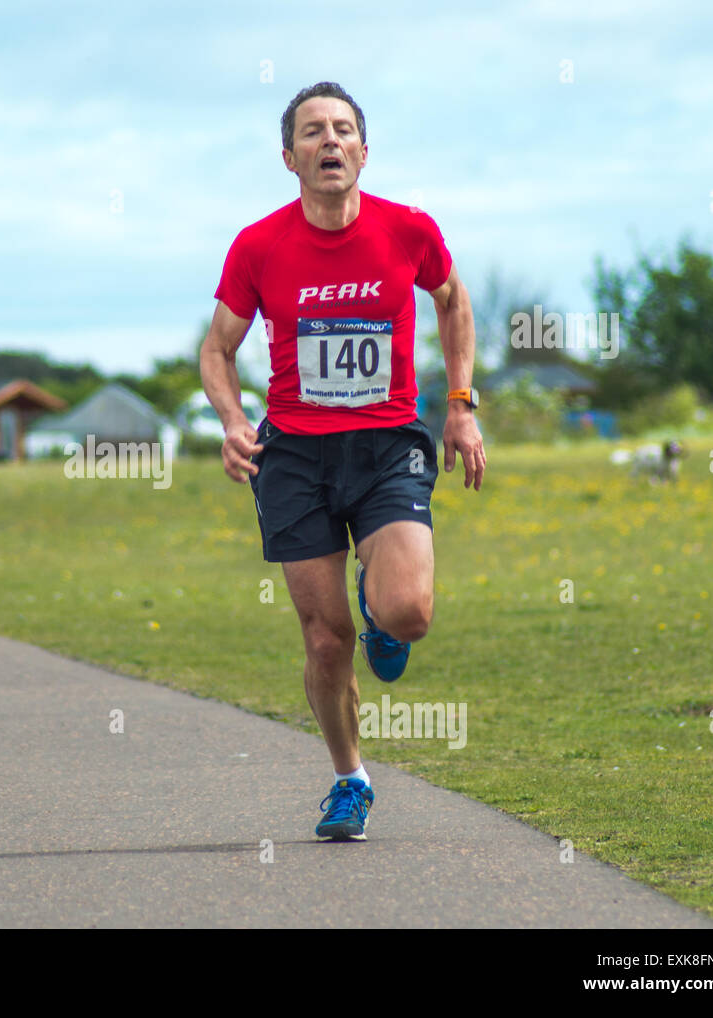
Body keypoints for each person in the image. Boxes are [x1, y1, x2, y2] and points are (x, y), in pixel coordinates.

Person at [199, 82, 486, 841]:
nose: (330, 141)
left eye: (343, 129)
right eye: (313, 132)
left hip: (387, 444)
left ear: (364, 149)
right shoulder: (259, 246)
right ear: (288, 156)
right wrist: (231, 421)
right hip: (293, 455)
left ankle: (380, 605)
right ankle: (349, 778)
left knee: (407, 615)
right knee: (325, 640)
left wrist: (460, 406)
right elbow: (217, 348)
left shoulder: (407, 231)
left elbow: (453, 300)